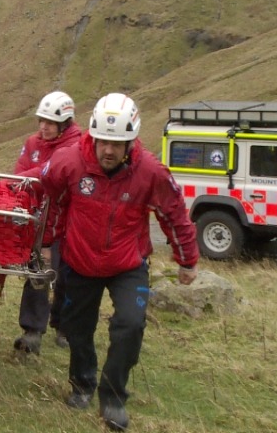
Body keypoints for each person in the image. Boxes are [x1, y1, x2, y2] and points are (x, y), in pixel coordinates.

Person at [37, 93, 198, 431]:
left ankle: (113, 398)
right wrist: (48, 245)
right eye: (103, 141)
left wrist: (186, 259)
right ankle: (82, 384)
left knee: (130, 324)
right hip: (80, 261)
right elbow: (50, 197)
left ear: (132, 142)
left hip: (128, 263)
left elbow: (174, 213)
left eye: (118, 143)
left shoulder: (150, 171)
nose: (108, 150)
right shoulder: (69, 162)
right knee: (77, 329)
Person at [11, 91, 81, 354]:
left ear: (64, 123)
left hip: (69, 221)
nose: (44, 127)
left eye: (50, 123)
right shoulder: (32, 143)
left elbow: (50, 174)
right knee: (38, 272)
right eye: (42, 121)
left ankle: (65, 325)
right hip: (40, 219)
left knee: (68, 276)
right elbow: (22, 173)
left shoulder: (76, 147)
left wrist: (24, 180)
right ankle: (32, 330)